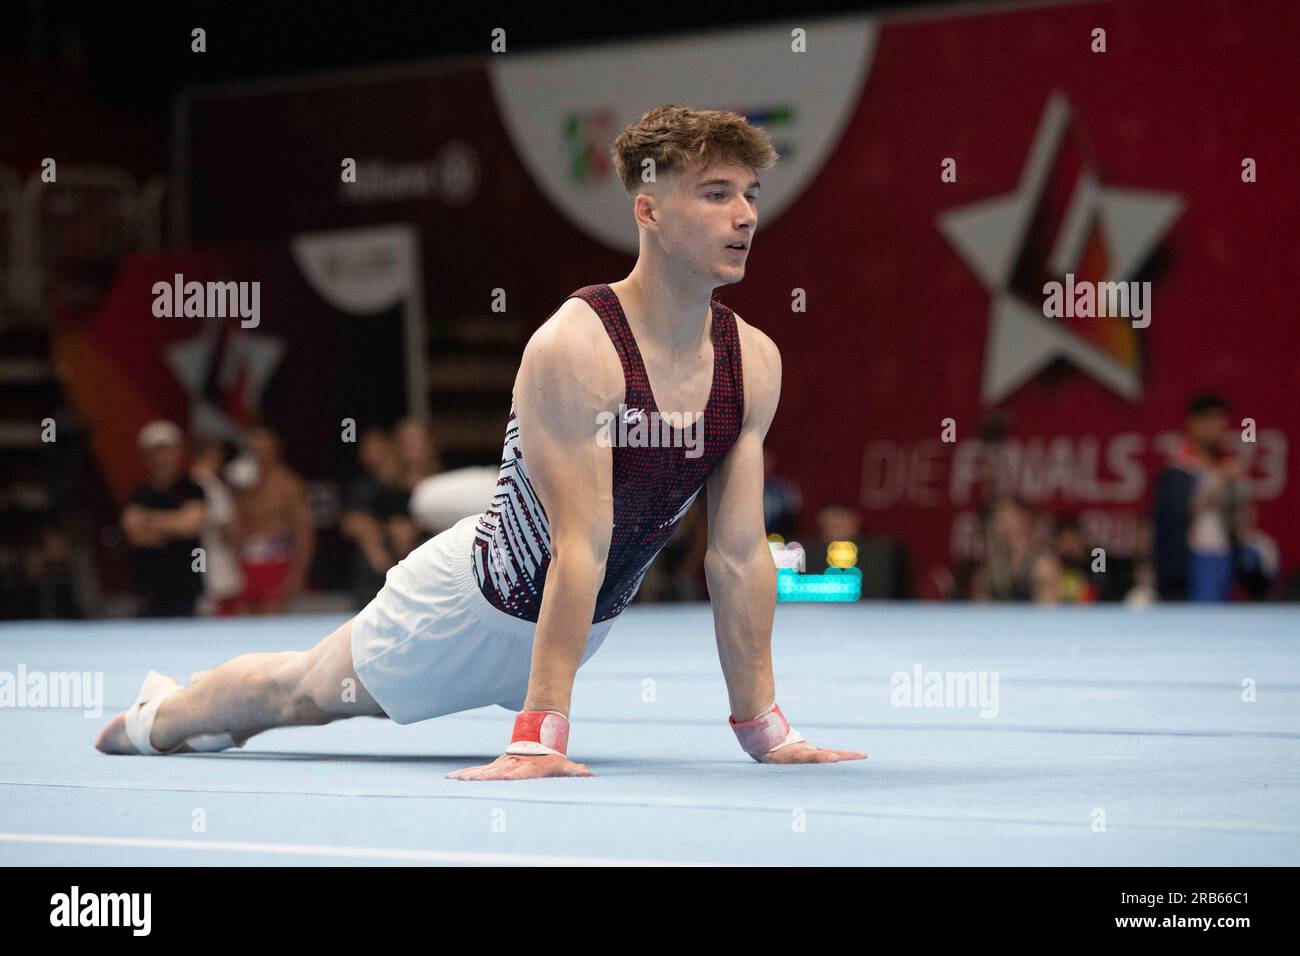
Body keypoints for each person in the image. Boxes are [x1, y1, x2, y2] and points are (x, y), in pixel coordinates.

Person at [95, 105, 866, 777]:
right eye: (716, 193)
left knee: (302, 692)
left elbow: (735, 557)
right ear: (649, 211)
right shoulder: (578, 346)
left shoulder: (752, 361)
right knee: (300, 694)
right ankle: (156, 718)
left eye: (750, 194)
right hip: (466, 609)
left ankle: (179, 713)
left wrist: (765, 729)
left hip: (577, 626)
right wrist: (539, 732)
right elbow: (579, 545)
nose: (745, 215)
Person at [1152, 393, 1247, 602]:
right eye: (1211, 418)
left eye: (1222, 419)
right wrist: (1216, 481)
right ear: (1193, 423)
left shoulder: (1227, 468)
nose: (1218, 425)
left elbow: (1241, 525)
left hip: (1224, 557)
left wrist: (1240, 491)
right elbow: (1178, 519)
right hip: (1195, 560)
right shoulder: (1177, 470)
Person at [120, 421, 206, 617]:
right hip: (148, 590)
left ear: (178, 452)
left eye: (166, 451)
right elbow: (137, 536)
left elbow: (191, 525)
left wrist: (149, 519)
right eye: (155, 452)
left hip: (186, 589)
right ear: (146, 456)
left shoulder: (193, 489)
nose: (161, 458)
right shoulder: (139, 494)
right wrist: (175, 523)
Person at [230, 425, 315, 614]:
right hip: (246, 565)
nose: (259, 452)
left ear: (275, 449)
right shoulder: (241, 485)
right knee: (243, 626)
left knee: (273, 625)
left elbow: (304, 531)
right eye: (254, 447)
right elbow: (236, 527)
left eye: (263, 447)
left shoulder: (289, 484)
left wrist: (297, 573)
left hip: (277, 564)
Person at [341, 427, 414, 610]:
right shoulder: (362, 488)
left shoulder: (413, 484)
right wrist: (375, 545)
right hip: (374, 577)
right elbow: (350, 524)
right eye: (366, 448)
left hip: (410, 571)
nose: (371, 453)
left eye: (377, 447)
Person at [190, 436, 244, 615]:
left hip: (198, 562)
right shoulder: (210, 485)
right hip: (215, 568)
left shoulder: (190, 481)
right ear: (214, 456)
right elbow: (228, 530)